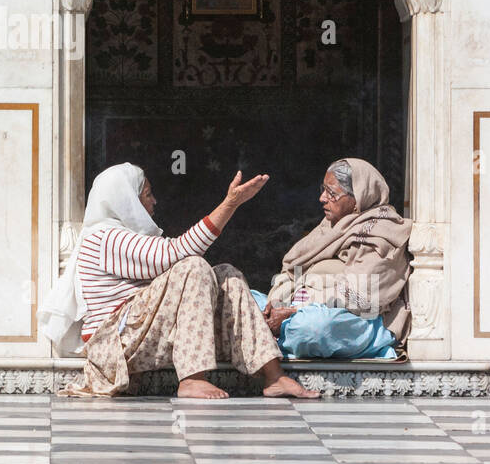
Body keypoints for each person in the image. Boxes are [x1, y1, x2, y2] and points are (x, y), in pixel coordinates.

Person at [42, 163, 318, 399]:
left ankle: (273, 376)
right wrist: (229, 204)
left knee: (227, 275)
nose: (154, 202)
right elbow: (177, 253)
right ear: (126, 200)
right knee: (192, 267)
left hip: (145, 336)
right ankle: (192, 378)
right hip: (116, 345)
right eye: (147, 195)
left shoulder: (129, 236)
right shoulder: (103, 237)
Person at [260, 158, 412, 359]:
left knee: (312, 329)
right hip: (298, 308)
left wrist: (295, 310)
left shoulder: (384, 233)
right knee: (245, 303)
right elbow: (291, 270)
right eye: (322, 190)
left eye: (331, 193)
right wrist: (276, 301)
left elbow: (360, 296)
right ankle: (272, 329)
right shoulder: (330, 227)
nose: (322, 198)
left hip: (358, 319)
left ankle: (268, 335)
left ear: (357, 199)